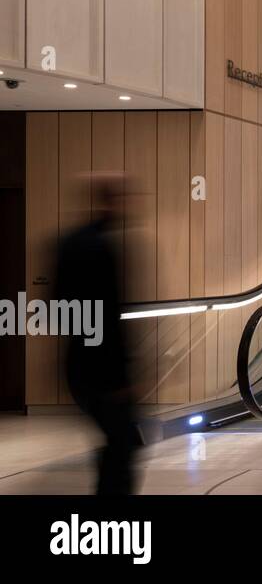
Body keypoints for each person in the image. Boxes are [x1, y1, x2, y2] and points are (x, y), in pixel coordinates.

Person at [55, 171, 140, 496]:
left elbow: (59, 307)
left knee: (118, 441)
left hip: (77, 364)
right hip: (105, 369)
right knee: (124, 443)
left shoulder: (69, 243)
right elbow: (109, 315)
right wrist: (123, 376)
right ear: (112, 201)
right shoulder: (104, 247)